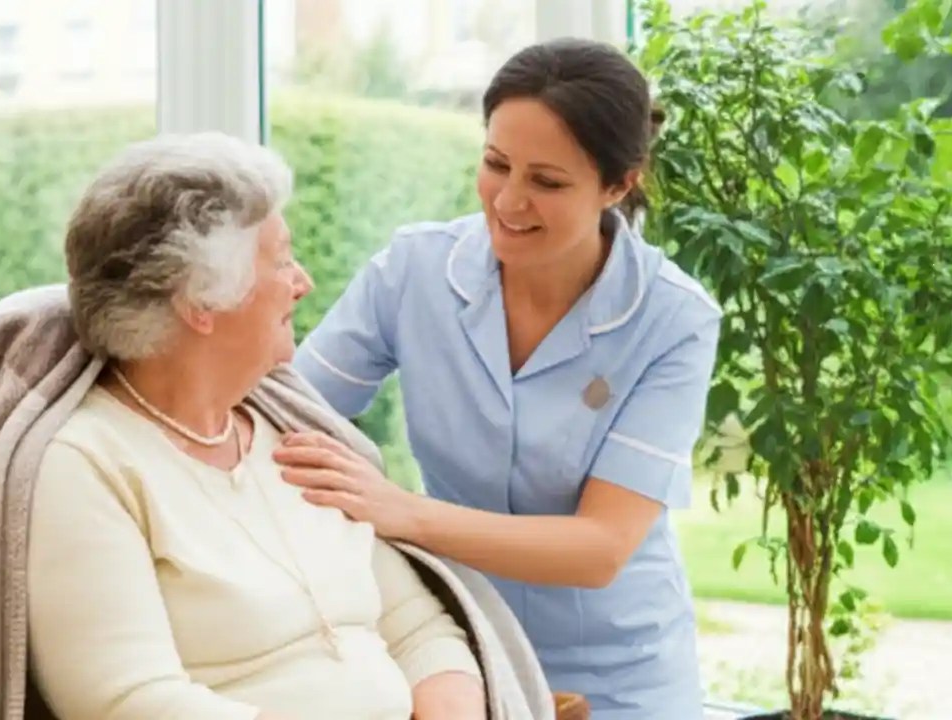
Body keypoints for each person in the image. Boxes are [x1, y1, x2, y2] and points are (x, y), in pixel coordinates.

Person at [280, 38, 721, 719]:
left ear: (619, 183)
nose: (509, 200)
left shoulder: (673, 319)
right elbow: (286, 410)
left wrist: (404, 512)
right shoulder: (413, 272)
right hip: (458, 654)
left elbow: (600, 547)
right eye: (495, 164)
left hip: (620, 681)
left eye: (547, 181)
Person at [24, 133, 488, 720]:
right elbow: (125, 702)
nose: (303, 282)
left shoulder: (287, 431)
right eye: (281, 260)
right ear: (201, 302)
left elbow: (421, 631)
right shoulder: (86, 463)